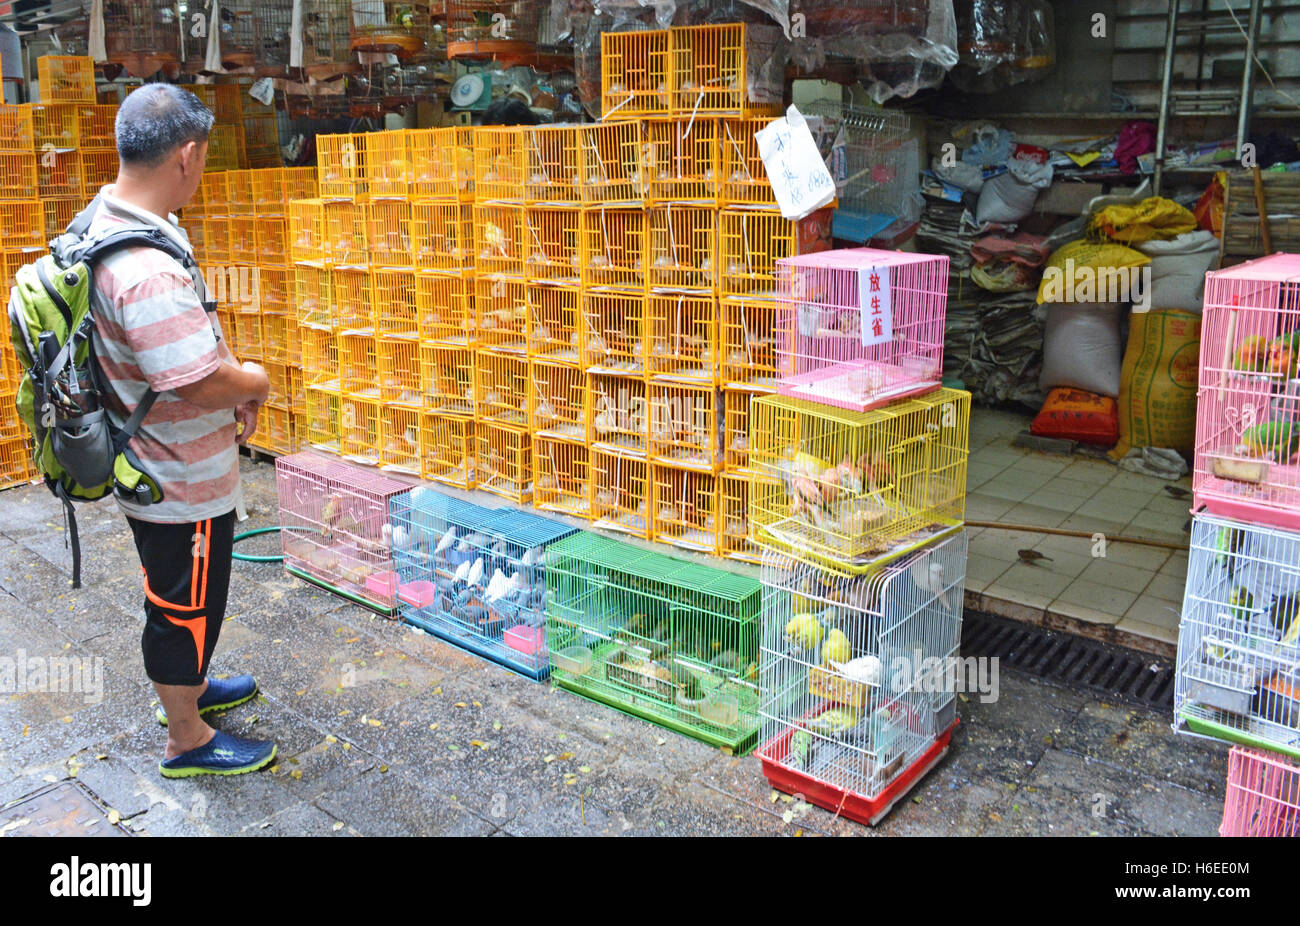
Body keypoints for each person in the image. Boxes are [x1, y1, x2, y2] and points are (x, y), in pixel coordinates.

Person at [86, 84, 276, 778]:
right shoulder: (145, 270)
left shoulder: (110, 220)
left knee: (184, 596)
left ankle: (189, 688)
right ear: (188, 155)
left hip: (153, 457)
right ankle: (187, 737)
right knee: (181, 606)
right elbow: (192, 379)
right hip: (176, 477)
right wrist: (252, 381)